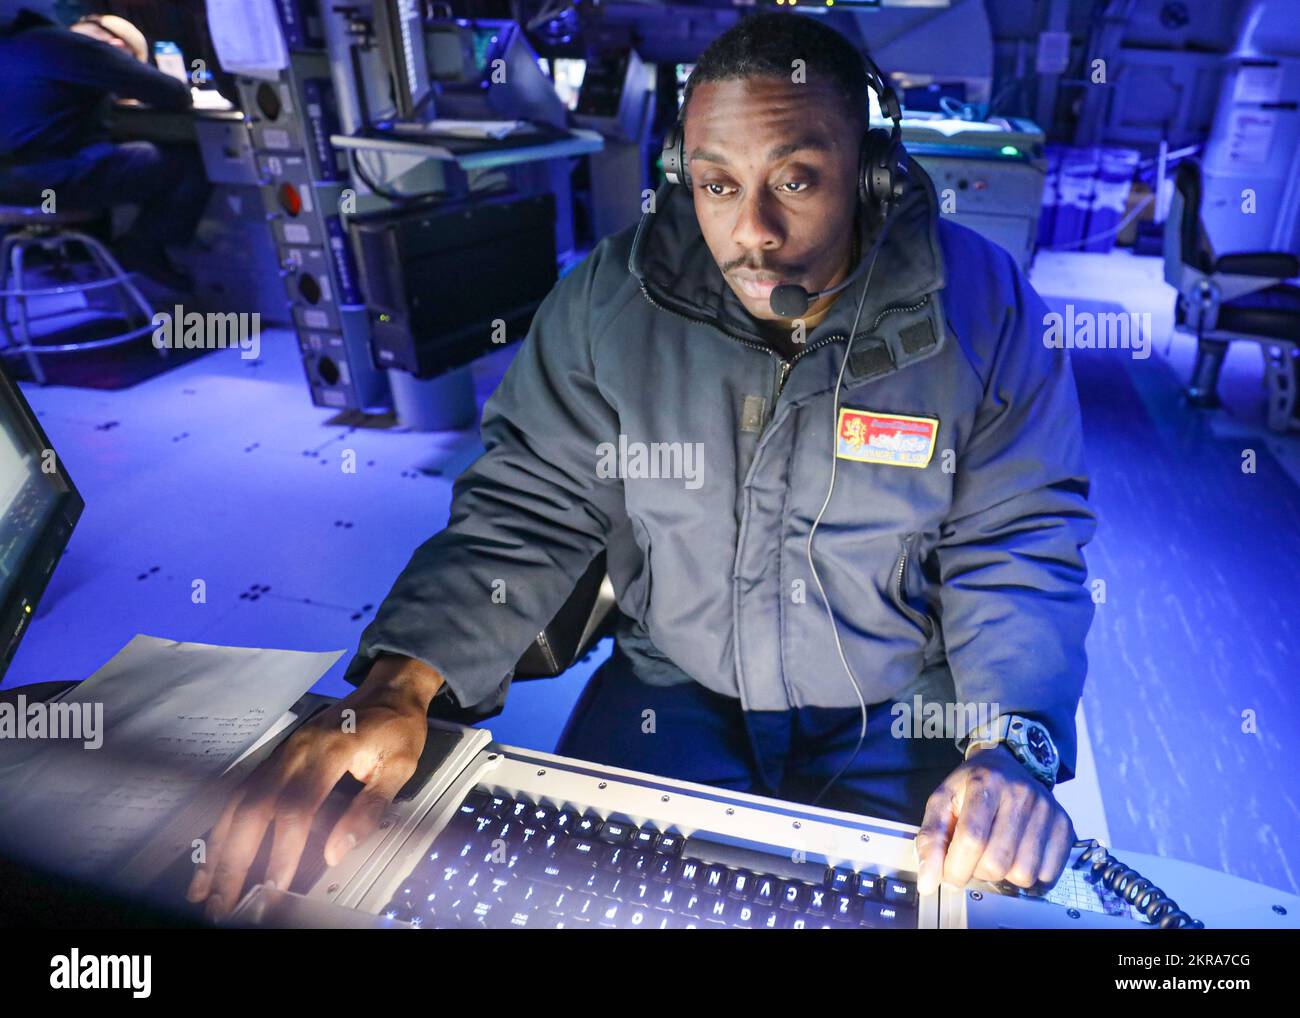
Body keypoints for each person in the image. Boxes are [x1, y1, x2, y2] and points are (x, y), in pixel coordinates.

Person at [188, 12, 1097, 921]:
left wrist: (1008, 746)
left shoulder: (982, 311)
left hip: (900, 711)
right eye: (716, 183)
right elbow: (529, 508)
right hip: (677, 694)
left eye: (797, 178)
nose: (755, 231)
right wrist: (403, 682)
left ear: (869, 172)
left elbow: (1013, 542)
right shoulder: (611, 300)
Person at [0, 8, 209, 290]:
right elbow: (174, 94)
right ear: (118, 48)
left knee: (111, 159)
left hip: (10, 186)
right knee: (188, 163)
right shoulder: (76, 47)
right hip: (49, 182)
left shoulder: (12, 45)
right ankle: (142, 249)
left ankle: (93, 267)